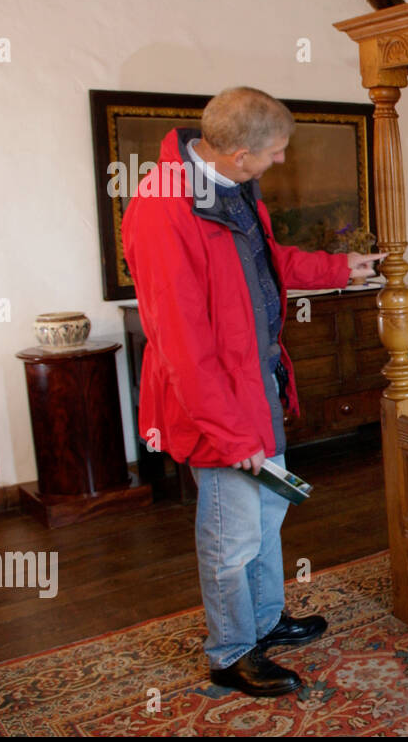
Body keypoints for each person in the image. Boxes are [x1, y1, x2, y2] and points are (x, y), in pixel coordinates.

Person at [122, 86, 385, 697]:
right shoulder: (163, 212)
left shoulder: (231, 188)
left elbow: (267, 263)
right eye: (276, 152)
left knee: (268, 514)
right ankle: (232, 652)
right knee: (230, 534)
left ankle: (266, 621)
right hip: (218, 405)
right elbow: (185, 348)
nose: (282, 162)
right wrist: (231, 434)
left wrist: (339, 268)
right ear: (239, 153)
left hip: (256, 384)